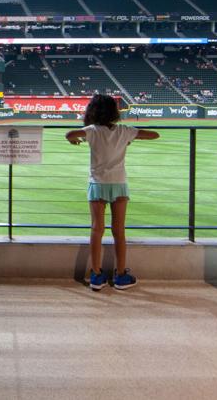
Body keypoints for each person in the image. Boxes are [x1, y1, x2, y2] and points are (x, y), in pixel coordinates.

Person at [65, 95, 159, 292]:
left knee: (96, 230)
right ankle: (121, 275)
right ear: (114, 112)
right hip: (119, 184)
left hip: (98, 184)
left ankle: (96, 275)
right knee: (119, 231)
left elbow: (70, 134)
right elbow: (154, 135)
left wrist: (76, 140)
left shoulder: (92, 131)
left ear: (93, 112)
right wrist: (128, 140)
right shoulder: (124, 131)